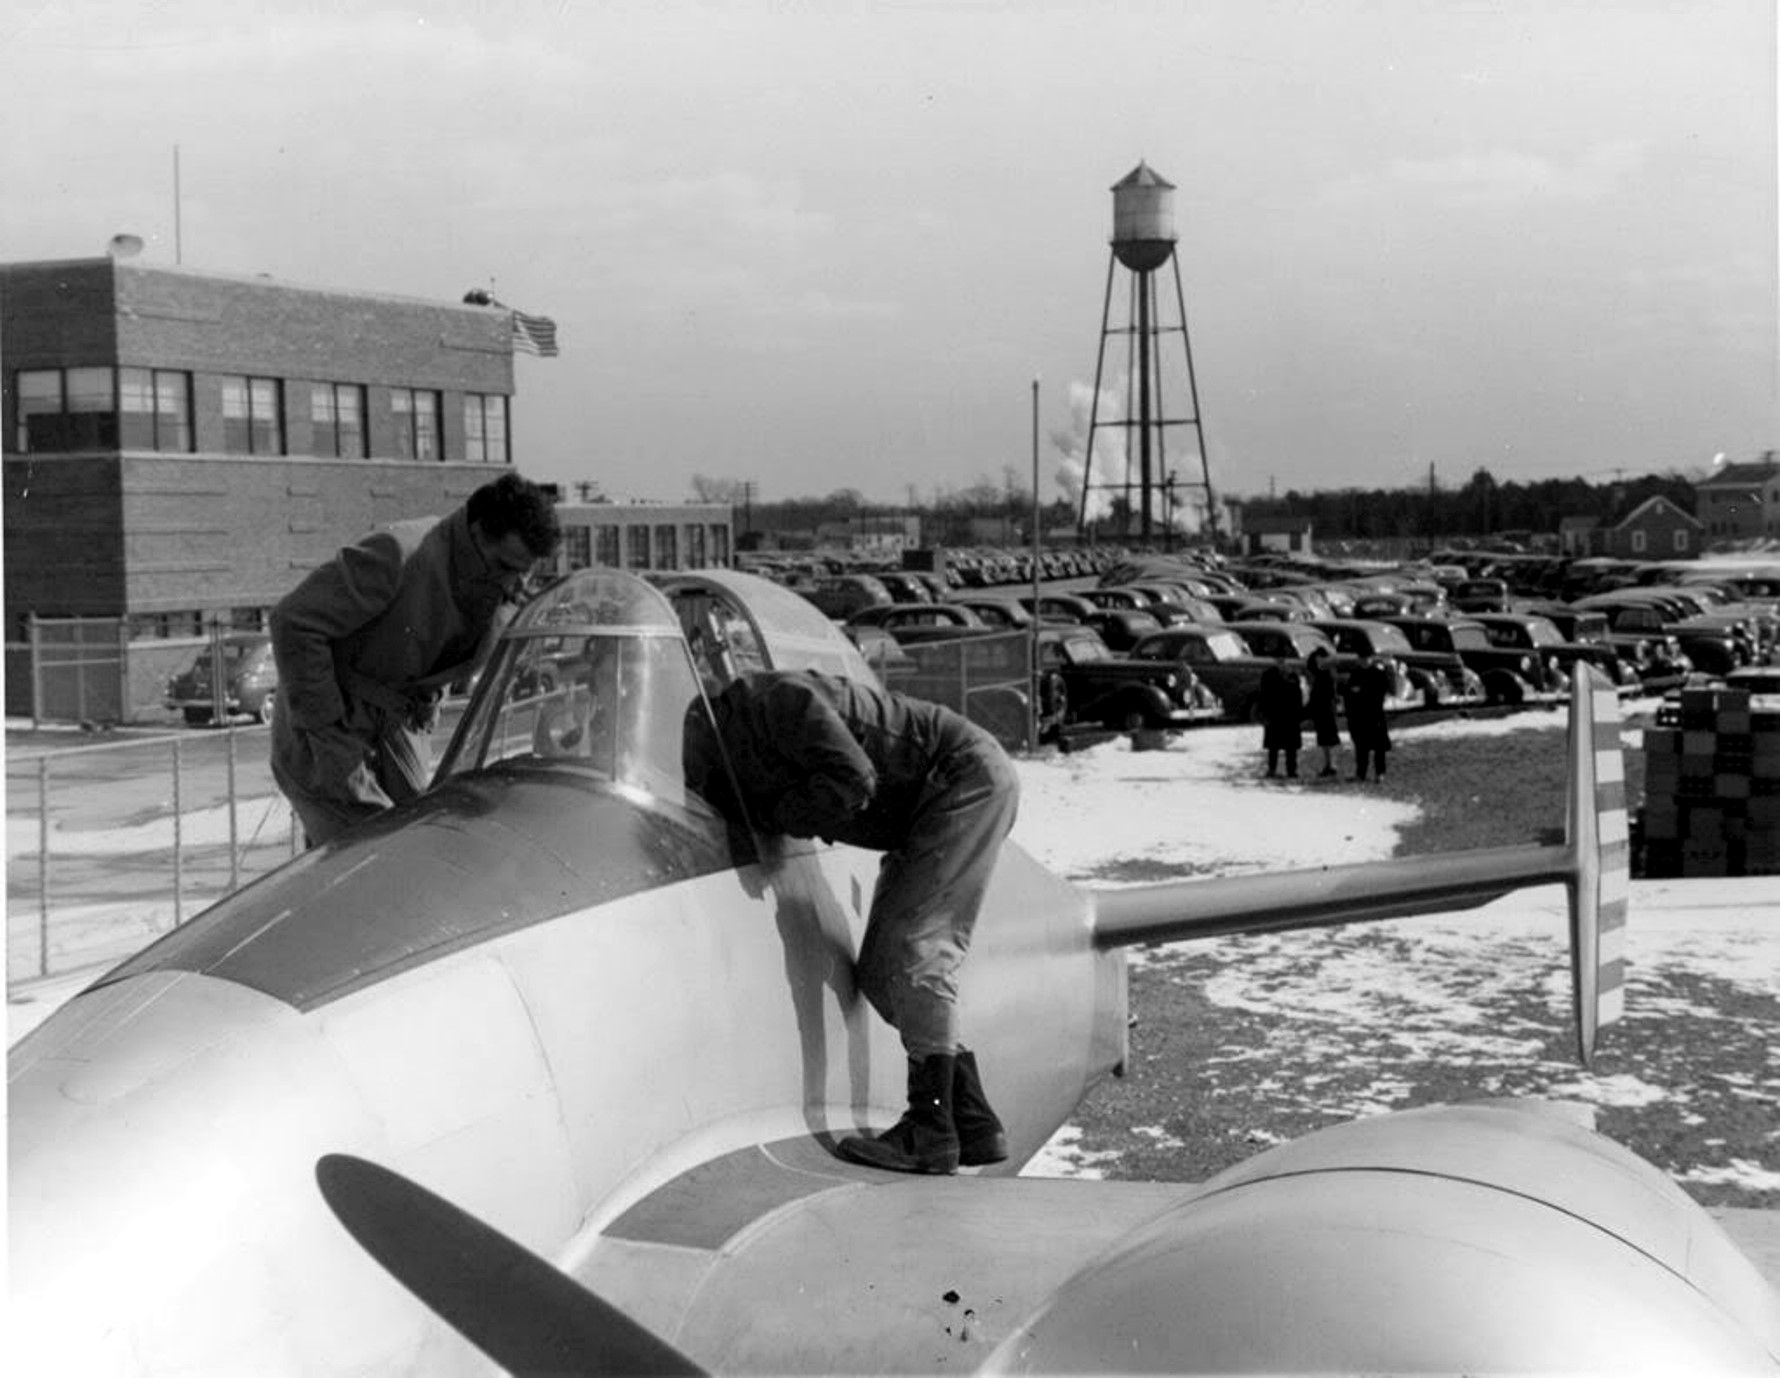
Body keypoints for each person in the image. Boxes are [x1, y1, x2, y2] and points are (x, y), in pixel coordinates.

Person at [683, 667, 1019, 1175]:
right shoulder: (737, 729)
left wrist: (777, 813)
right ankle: (970, 1118)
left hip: (961, 777)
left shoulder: (773, 701)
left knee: (915, 951)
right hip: (927, 806)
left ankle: (930, 1128)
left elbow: (852, 778)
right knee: (882, 974)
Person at [269, 471, 561, 847]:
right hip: (324, 731)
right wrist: (327, 728)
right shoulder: (399, 554)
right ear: (476, 534)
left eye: (524, 572)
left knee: (426, 841)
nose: (514, 584)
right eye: (506, 567)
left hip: (394, 729)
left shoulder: (498, 587)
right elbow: (293, 622)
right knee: (370, 861)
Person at [1343, 654, 1394, 782]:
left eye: (1366, 658)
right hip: (1360, 715)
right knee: (1361, 746)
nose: (1364, 661)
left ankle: (1380, 773)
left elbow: (1384, 691)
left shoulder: (1378, 673)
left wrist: (1362, 692)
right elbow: (1349, 693)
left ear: (1371, 659)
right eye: (1362, 659)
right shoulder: (1355, 674)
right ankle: (1361, 773)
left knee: (1379, 747)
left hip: (1375, 714)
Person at [1256, 656, 1304, 779]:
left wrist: (1300, 714)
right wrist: (1262, 713)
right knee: (1273, 745)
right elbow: (1263, 695)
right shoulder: (1268, 676)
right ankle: (1272, 769)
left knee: (1291, 747)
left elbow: (1298, 696)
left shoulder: (1293, 676)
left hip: (1290, 715)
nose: (1282, 664)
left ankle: (1291, 770)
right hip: (1274, 714)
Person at [1305, 647, 1343, 778]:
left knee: (1331, 737)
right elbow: (1309, 665)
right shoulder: (1317, 672)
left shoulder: (1328, 673)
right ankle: (1328, 764)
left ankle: (1333, 764)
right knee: (1323, 738)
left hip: (1328, 708)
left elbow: (1331, 691)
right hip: (1320, 708)